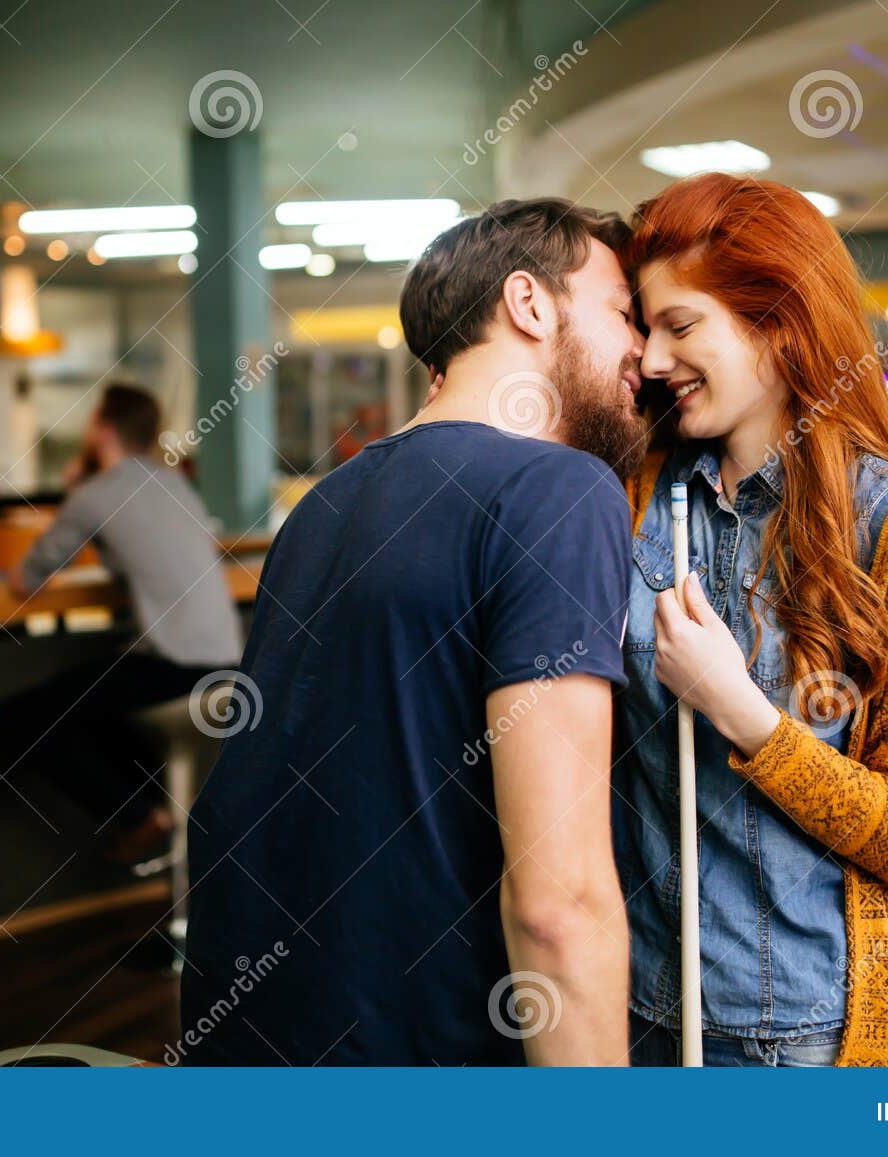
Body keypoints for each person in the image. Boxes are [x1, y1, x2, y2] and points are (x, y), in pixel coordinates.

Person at [180, 198, 649, 1066]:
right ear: (530, 303)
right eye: (624, 313)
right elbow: (560, 902)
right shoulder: (559, 491)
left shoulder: (323, 506)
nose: (644, 353)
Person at [614, 172, 888, 1067]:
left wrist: (738, 708)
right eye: (647, 330)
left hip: (800, 1035)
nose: (656, 361)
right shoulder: (636, 493)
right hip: (636, 1011)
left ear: (778, 322)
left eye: (682, 326)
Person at [0, 384, 243, 858]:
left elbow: (27, 577)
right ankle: (148, 816)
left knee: (22, 718)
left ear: (102, 430)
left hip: (175, 667)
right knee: (95, 700)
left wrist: (77, 488)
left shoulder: (95, 494)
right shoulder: (174, 484)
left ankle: (142, 817)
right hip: (227, 664)